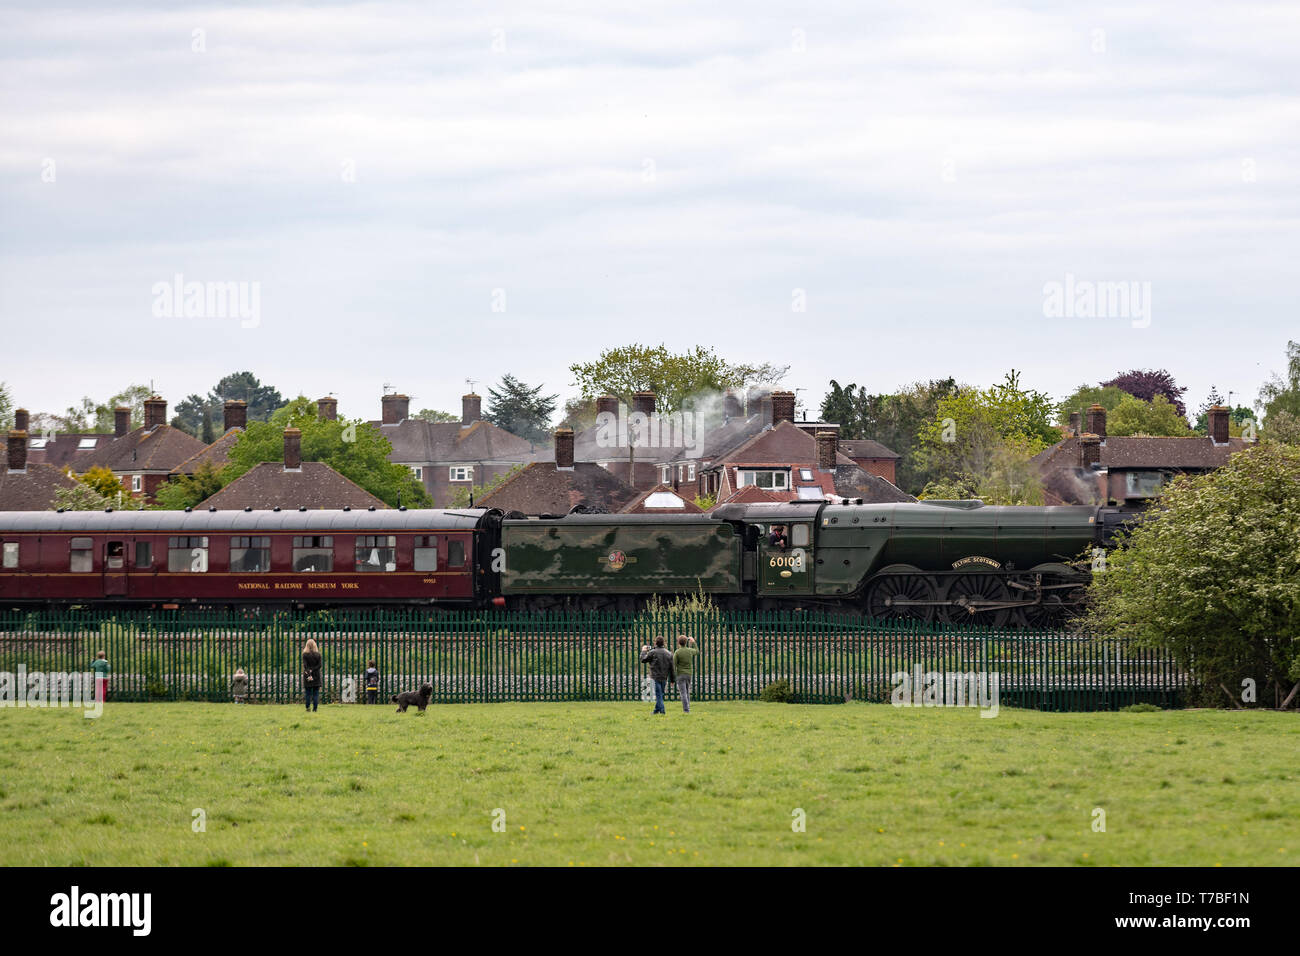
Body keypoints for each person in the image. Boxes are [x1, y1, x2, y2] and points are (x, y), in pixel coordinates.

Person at [639, 636, 676, 715]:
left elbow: (643, 660)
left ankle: (662, 711)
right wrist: (672, 680)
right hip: (664, 677)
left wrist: (643, 651)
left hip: (655, 677)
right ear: (663, 643)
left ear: (655, 643)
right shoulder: (669, 653)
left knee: (659, 695)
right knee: (660, 694)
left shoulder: (652, 652)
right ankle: (656, 711)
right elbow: (672, 668)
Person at [672, 635, 698, 713]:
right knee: (687, 692)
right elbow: (697, 651)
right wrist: (693, 642)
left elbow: (674, 664)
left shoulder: (677, 652)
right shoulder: (690, 650)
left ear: (679, 643)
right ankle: (688, 708)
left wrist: (673, 676)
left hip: (680, 674)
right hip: (689, 674)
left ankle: (686, 710)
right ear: (686, 642)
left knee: (683, 693)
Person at [302, 639, 323, 712]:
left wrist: (309, 672)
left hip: (307, 675)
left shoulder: (305, 654)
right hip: (316, 675)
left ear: (307, 645)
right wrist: (313, 670)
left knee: (308, 693)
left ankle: (307, 708)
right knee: (315, 693)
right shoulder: (318, 654)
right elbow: (320, 665)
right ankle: (315, 708)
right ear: (314, 645)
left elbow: (305, 665)